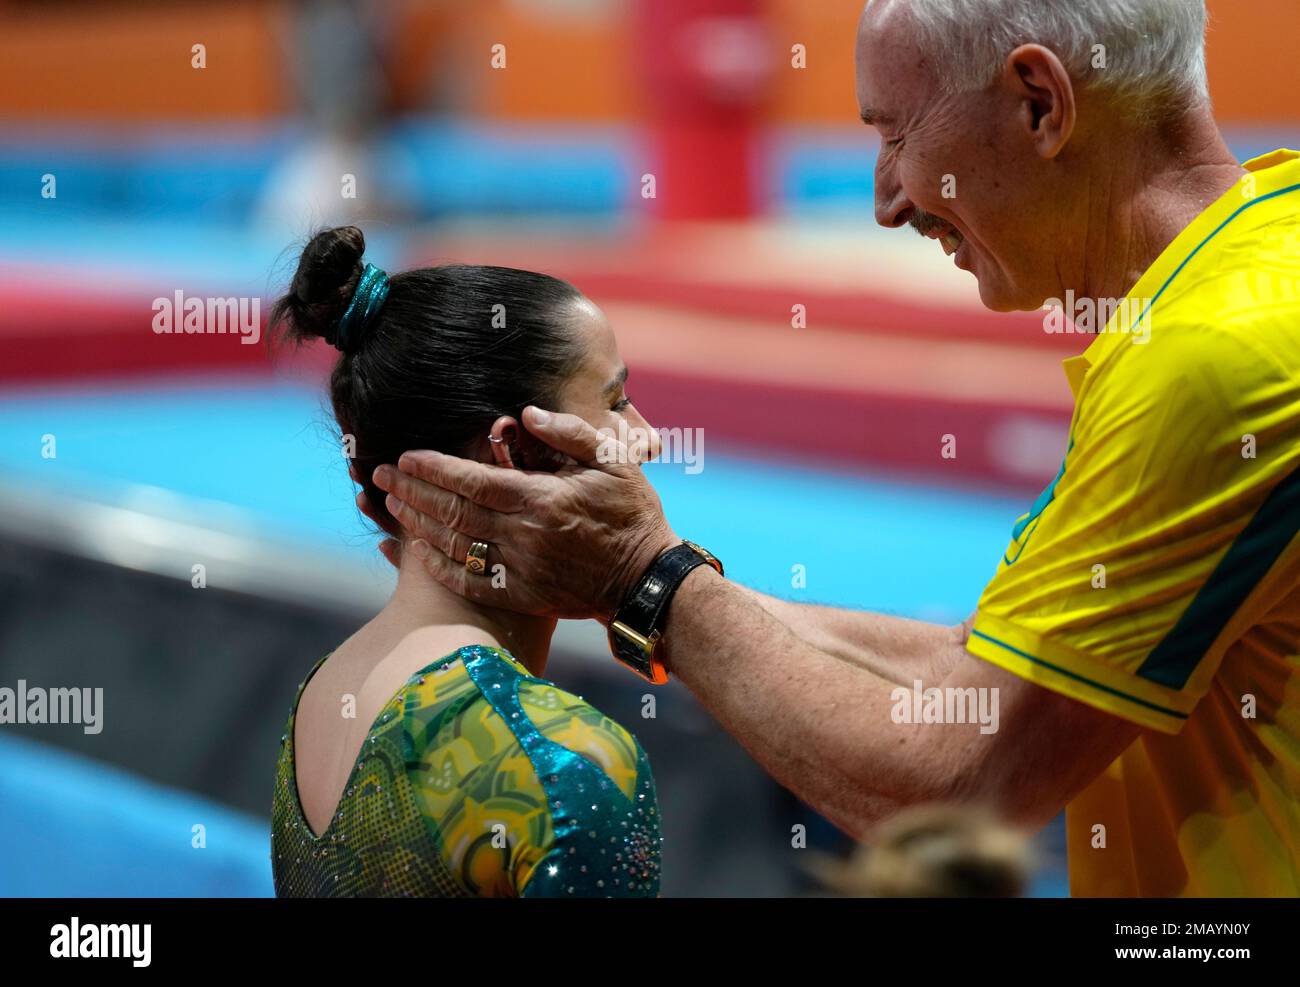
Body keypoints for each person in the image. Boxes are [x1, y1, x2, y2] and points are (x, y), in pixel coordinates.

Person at [372, 0, 1300, 896]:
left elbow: (956, 788)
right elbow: (981, 671)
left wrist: (642, 580)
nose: (885, 201)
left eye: (896, 136)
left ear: (1040, 103)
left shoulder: (1208, 366)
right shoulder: (1267, 233)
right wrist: (651, 578)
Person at [268, 226, 663, 897]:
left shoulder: (320, 695)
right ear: (516, 453)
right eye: (616, 402)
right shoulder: (564, 763)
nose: (649, 439)